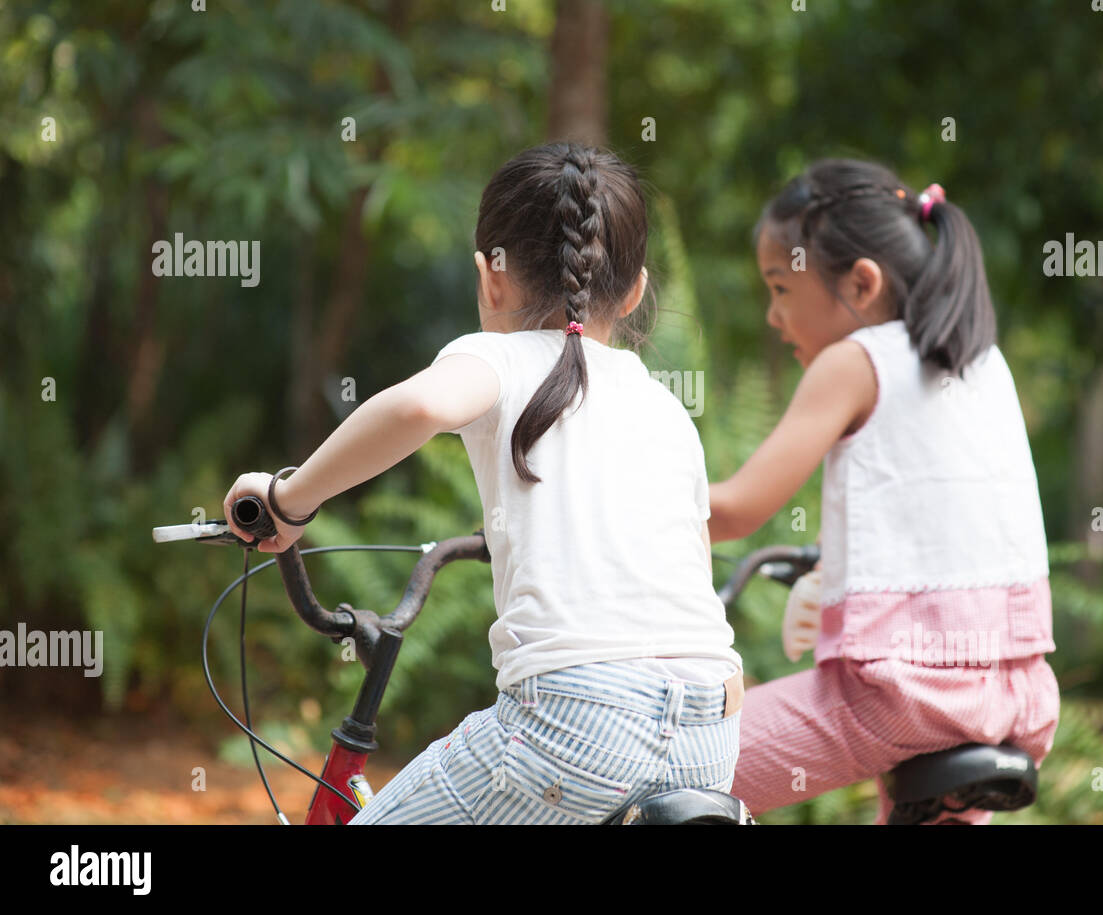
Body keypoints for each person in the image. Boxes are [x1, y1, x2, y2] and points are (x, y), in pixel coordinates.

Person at [223, 143, 743, 825]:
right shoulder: (670, 410)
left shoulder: (498, 355)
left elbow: (418, 407)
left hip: (572, 727)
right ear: (638, 288)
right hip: (713, 735)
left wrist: (289, 502)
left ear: (490, 278)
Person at [708, 158, 1059, 824]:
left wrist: (601, 513)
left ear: (861, 283)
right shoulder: (981, 361)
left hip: (905, 696)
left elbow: (734, 509)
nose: (773, 315)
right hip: (1020, 695)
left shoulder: (855, 361)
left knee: (667, 763)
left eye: (781, 287)